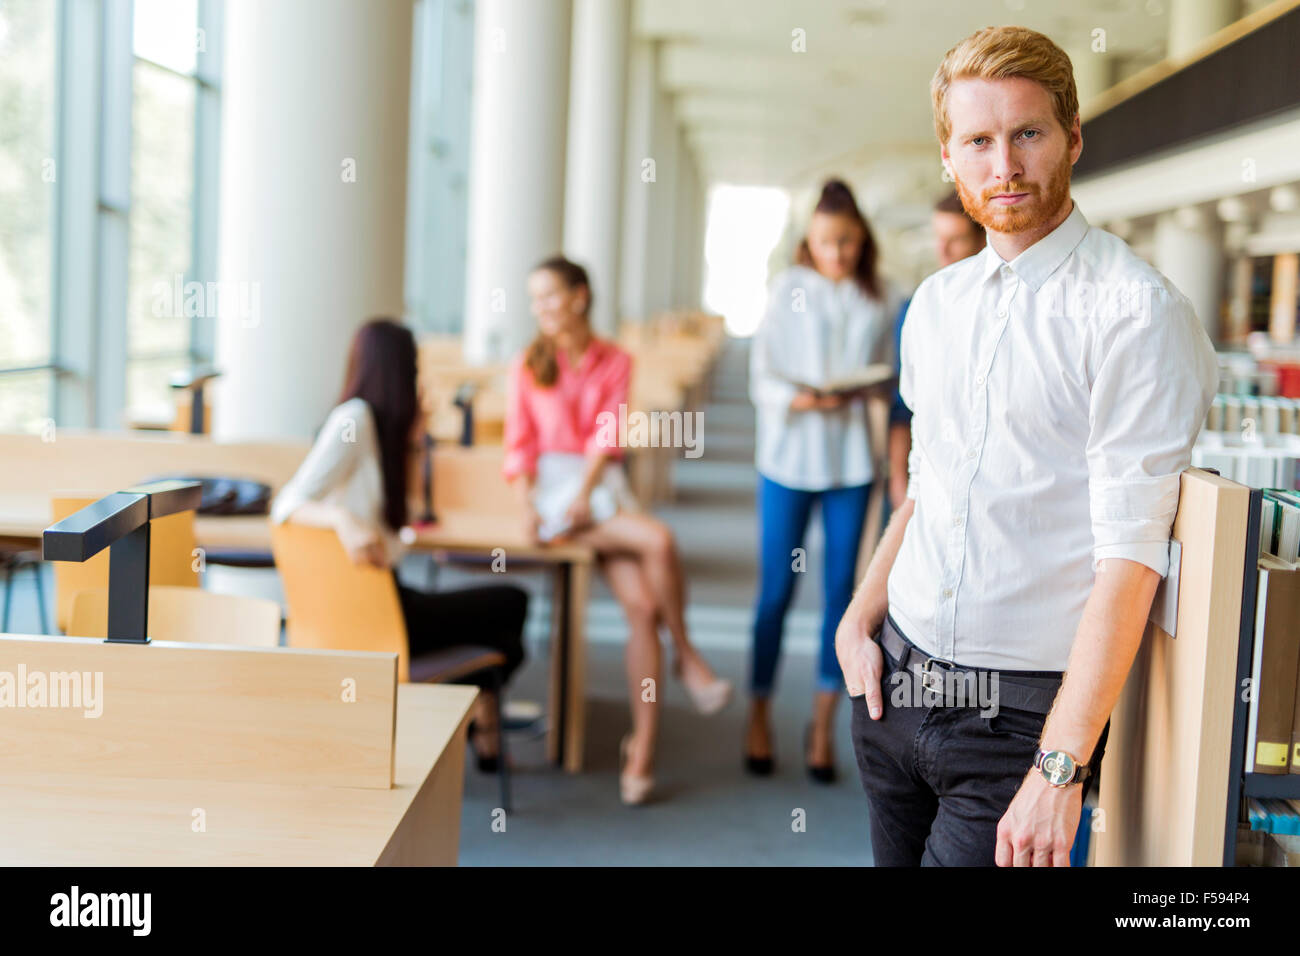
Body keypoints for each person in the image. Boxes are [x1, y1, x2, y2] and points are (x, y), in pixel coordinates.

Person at [835, 25, 1217, 866]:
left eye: (1027, 133)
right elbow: (927, 484)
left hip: (1017, 723)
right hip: (893, 688)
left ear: (1073, 138)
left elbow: (1131, 557)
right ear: (949, 156)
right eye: (977, 140)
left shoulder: (1136, 313)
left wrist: (1060, 765)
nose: (1002, 165)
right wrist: (858, 617)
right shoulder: (935, 305)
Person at [503, 254, 732, 805]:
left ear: (580, 296)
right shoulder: (526, 365)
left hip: (595, 490)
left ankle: (643, 751)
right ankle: (688, 656)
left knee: (642, 608)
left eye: (551, 296)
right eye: (535, 299)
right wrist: (529, 505)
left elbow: (605, 440)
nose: (542, 309)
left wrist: (585, 499)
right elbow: (519, 448)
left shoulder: (614, 360)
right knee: (658, 539)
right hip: (550, 497)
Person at [271, 318, 529, 773]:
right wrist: (342, 519)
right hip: (376, 612)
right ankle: (478, 718)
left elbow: (403, 528)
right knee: (511, 606)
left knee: (502, 627)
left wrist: (413, 446)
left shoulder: (380, 428)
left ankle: (478, 718)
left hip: (384, 599)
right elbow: (288, 502)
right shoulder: (353, 419)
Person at [746, 179, 899, 782]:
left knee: (842, 594)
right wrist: (801, 399)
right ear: (808, 241)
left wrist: (868, 387)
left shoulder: (880, 296)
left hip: (851, 463)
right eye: (827, 244)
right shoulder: (787, 290)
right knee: (775, 594)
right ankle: (757, 711)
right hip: (787, 457)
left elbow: (892, 370)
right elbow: (763, 373)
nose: (838, 255)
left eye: (848, 244)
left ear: (862, 242)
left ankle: (820, 726)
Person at [885, 191, 986, 511]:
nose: (941, 251)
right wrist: (899, 480)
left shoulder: (1003, 309)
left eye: (954, 240)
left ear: (983, 239)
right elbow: (903, 408)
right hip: (924, 471)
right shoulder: (919, 306)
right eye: (937, 238)